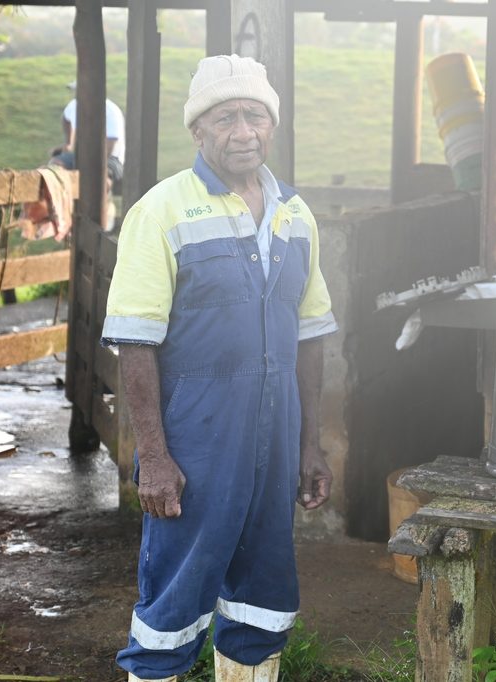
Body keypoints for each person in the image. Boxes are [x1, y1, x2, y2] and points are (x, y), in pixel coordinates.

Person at [100, 54, 338, 682]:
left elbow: (311, 334)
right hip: (196, 441)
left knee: (263, 594)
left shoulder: (296, 215)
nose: (243, 130)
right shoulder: (161, 212)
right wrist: (153, 454)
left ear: (272, 125)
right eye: (225, 117)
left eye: (254, 115)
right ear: (198, 130)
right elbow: (135, 342)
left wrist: (309, 443)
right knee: (174, 595)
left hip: (274, 439)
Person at [52, 81, 126, 192]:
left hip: (109, 159)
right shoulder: (74, 106)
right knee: (54, 167)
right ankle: (58, 206)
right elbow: (65, 118)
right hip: (80, 156)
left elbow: (109, 147)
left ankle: (100, 208)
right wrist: (68, 143)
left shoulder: (110, 111)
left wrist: (87, 166)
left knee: (100, 179)